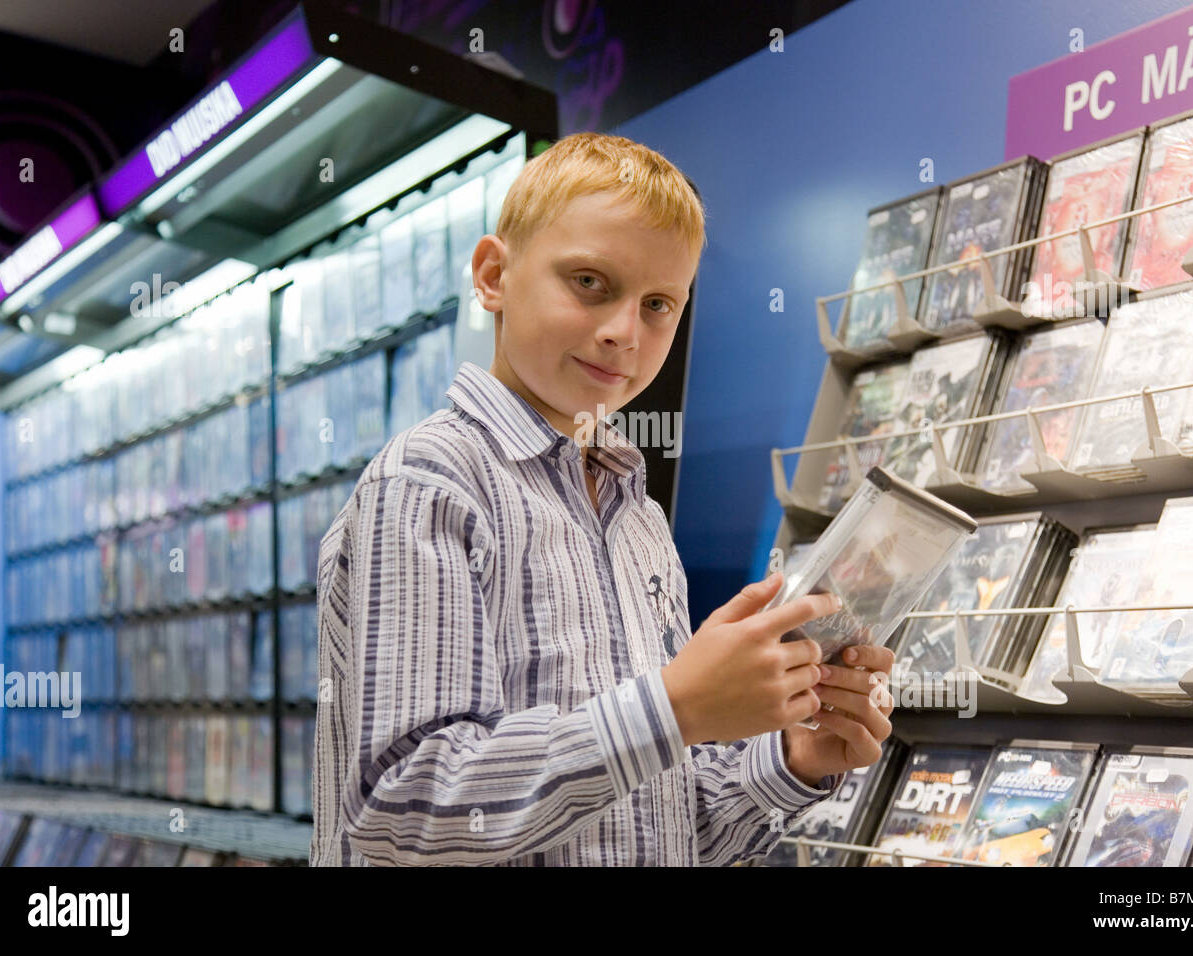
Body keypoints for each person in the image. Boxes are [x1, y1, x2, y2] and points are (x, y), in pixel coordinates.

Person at [310, 132, 895, 866]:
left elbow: (663, 830)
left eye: (658, 304)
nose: (624, 332)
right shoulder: (429, 481)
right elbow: (400, 809)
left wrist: (794, 761)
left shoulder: (639, 519)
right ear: (493, 275)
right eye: (589, 282)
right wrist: (675, 706)